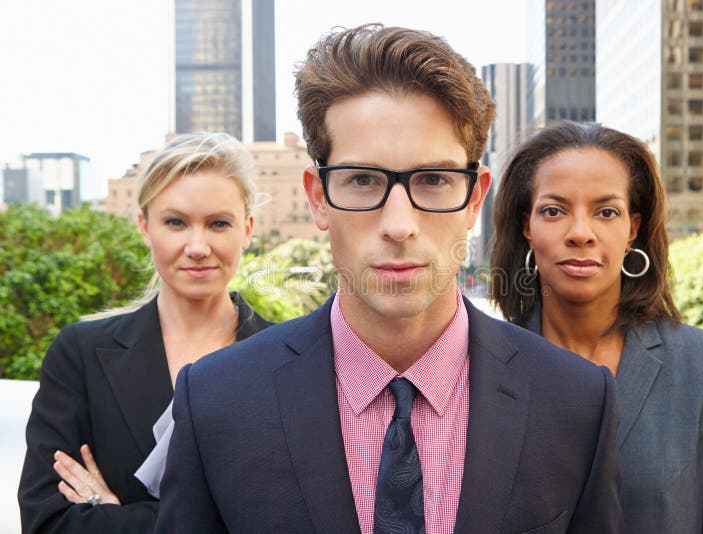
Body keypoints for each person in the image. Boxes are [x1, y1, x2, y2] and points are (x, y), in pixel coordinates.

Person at [155, 24, 622, 534]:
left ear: (474, 198)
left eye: (434, 179)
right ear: (318, 197)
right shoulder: (215, 400)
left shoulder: (577, 401)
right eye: (362, 180)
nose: (399, 224)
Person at [490, 121, 703, 533]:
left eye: (606, 212)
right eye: (554, 211)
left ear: (632, 229)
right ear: (527, 226)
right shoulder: (483, 366)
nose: (580, 234)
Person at [18, 133, 272, 533]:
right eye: (175, 222)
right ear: (144, 227)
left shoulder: (289, 359)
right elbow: (46, 521)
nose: (197, 246)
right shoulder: (80, 355)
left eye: (218, 223)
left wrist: (112, 514)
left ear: (247, 230)